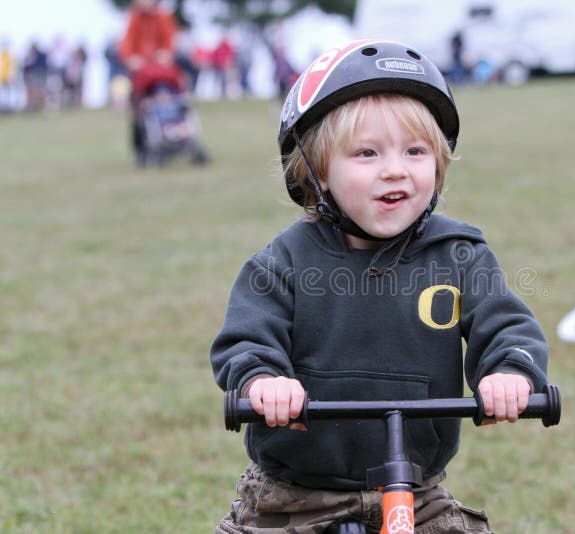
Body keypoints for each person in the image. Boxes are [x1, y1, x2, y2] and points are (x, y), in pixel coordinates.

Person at [210, 40, 549, 533]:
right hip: (296, 493)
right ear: (318, 171)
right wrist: (263, 382)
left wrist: (509, 373)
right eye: (366, 153)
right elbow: (246, 339)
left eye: (415, 151)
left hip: (416, 489)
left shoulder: (459, 255)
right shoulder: (283, 263)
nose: (395, 168)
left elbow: (506, 326)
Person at [117, 0, 180, 164]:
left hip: (160, 74)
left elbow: (170, 40)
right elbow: (127, 44)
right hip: (142, 75)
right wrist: (131, 59)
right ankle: (140, 150)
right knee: (138, 110)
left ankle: (173, 139)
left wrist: (166, 54)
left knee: (170, 100)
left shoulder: (163, 16)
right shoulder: (134, 18)